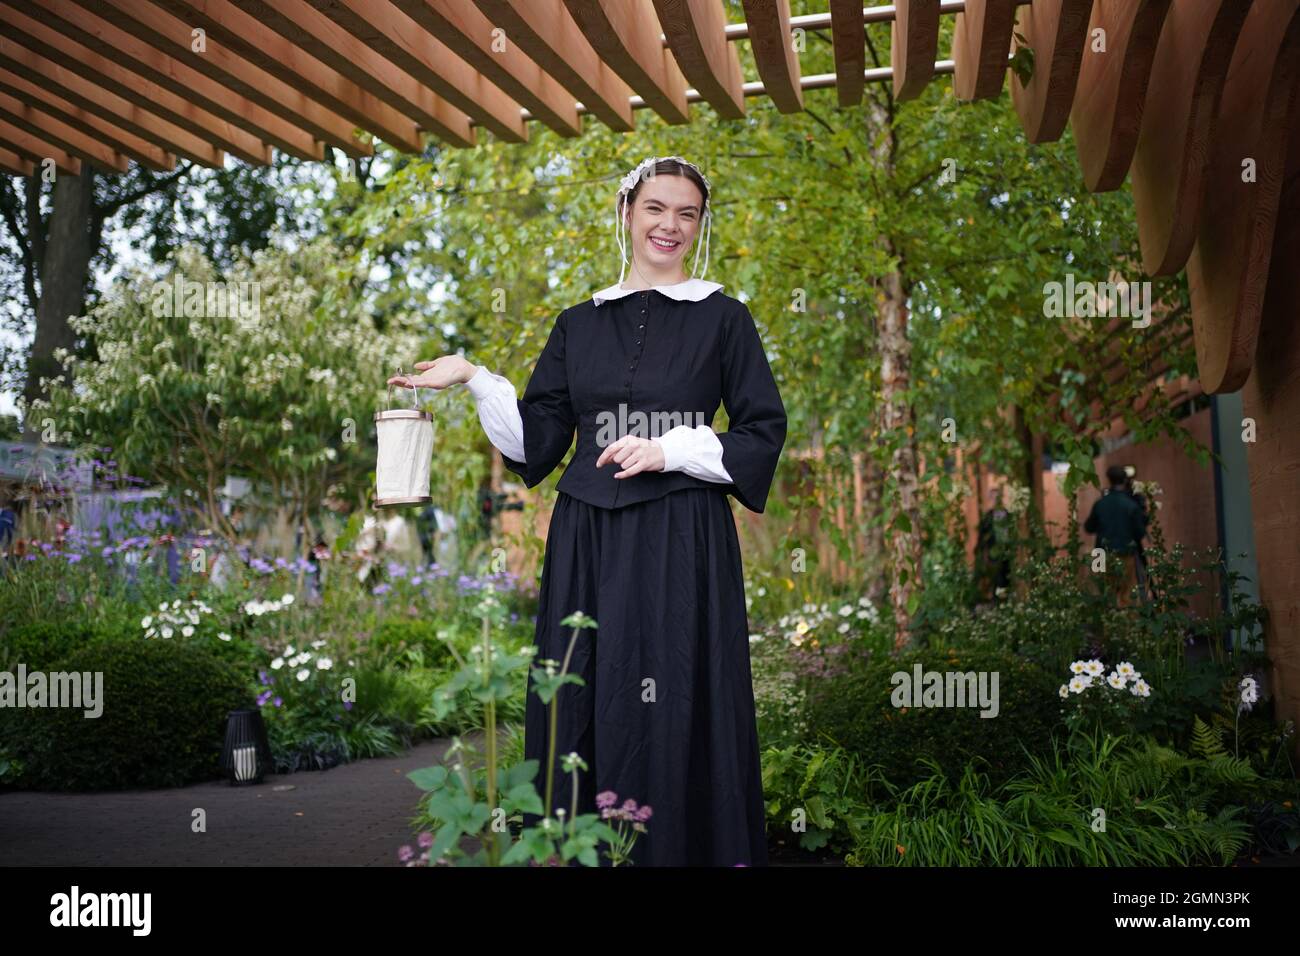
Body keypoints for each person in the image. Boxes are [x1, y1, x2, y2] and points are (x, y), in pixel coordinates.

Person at [389, 156, 786, 867]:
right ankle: (582, 854)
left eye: (686, 213)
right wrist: (476, 379)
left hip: (680, 539)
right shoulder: (578, 325)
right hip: (586, 540)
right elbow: (538, 444)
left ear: (699, 226)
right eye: (656, 208)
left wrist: (670, 451)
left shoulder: (725, 318)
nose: (670, 225)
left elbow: (762, 433)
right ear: (627, 211)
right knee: (581, 693)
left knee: (675, 694)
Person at [1084, 464, 1148, 603]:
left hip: (1100, 554)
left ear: (1109, 479)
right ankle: (1126, 623)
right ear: (1125, 480)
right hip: (1125, 553)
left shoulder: (1100, 504)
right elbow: (1140, 533)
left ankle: (1105, 623)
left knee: (1102, 592)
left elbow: (1089, 528)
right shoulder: (1131, 505)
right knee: (1127, 594)